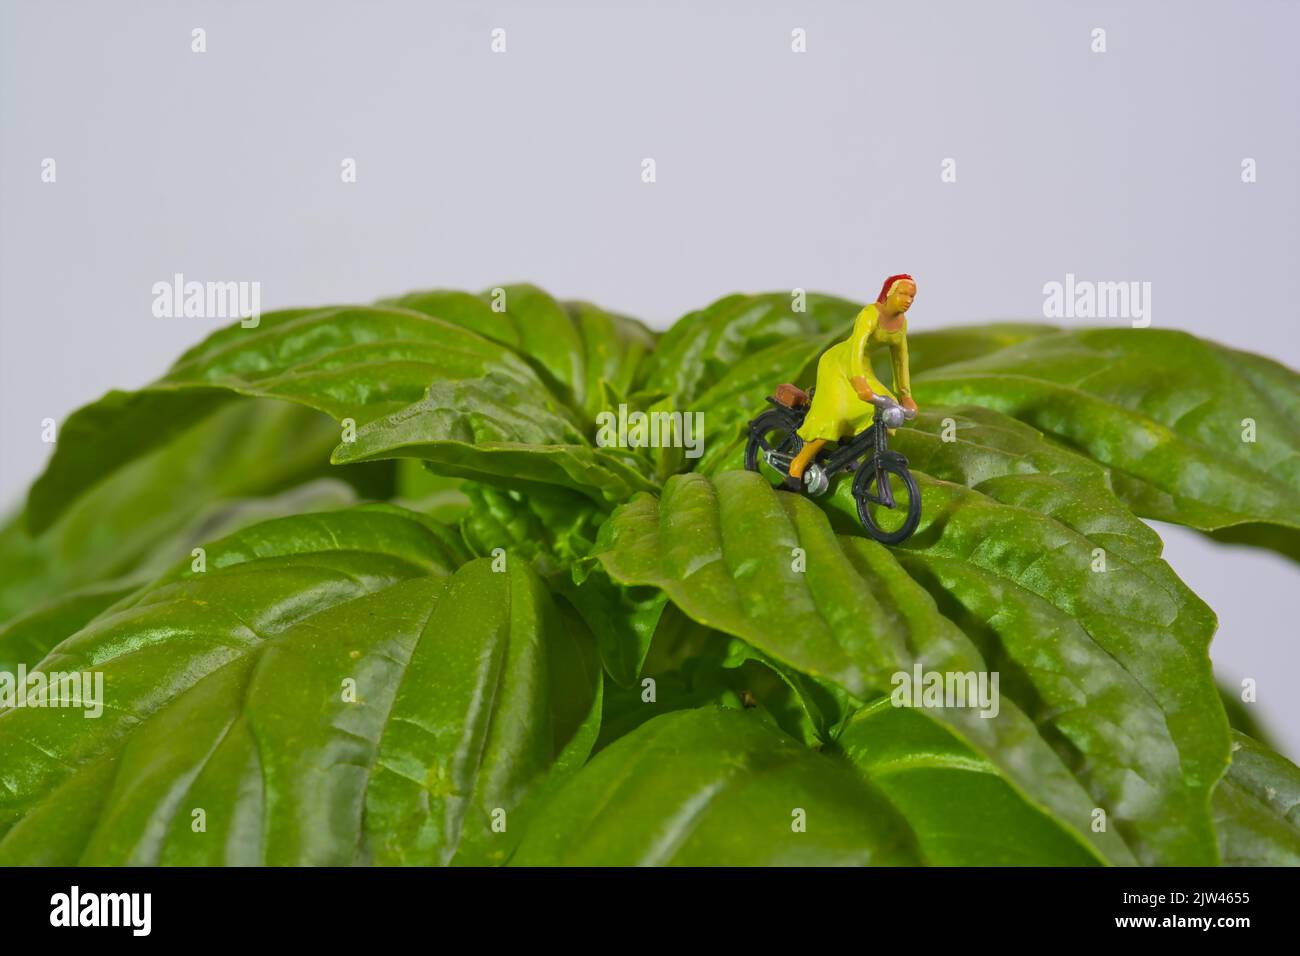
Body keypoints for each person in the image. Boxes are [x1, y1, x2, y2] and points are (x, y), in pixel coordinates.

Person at [788, 274, 920, 481]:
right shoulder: (870, 315)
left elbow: (901, 360)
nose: (908, 300)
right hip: (840, 362)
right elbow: (856, 350)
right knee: (836, 415)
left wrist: (905, 396)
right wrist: (859, 384)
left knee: (888, 408)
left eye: (912, 296)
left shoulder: (901, 324)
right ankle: (798, 464)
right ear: (889, 293)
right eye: (903, 293)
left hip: (862, 366)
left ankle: (847, 451)